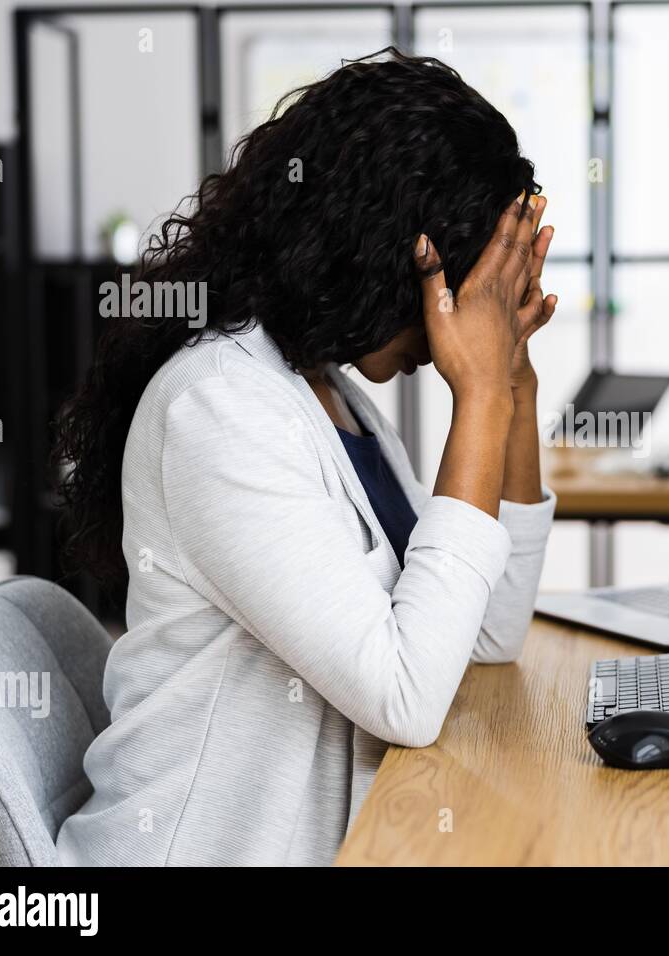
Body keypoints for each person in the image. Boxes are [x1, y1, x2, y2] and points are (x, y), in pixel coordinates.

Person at [52, 50, 557, 865]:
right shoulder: (217, 407)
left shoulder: (332, 398)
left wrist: (515, 382)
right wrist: (482, 398)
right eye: (467, 285)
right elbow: (405, 695)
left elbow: (487, 631)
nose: (461, 320)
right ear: (397, 255)